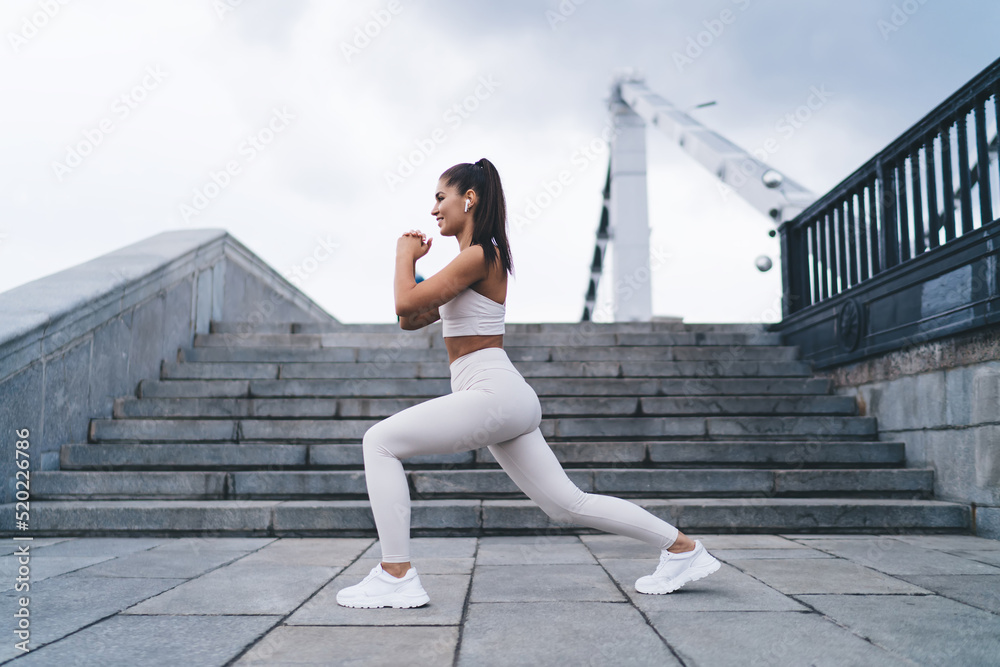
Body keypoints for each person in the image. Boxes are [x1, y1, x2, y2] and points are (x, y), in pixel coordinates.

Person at [336, 158, 720, 609]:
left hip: (492, 391)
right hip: (501, 395)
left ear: (470, 197)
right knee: (567, 505)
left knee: (379, 441)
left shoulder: (481, 254)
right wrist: (415, 268)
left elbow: (404, 298)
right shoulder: (469, 261)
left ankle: (396, 574)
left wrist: (403, 255)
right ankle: (683, 550)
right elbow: (409, 317)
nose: (434, 209)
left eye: (441, 197)